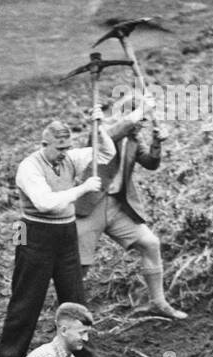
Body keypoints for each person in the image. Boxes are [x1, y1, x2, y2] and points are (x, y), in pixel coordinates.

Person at [0, 113, 114, 357]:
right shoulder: (29, 167)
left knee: (75, 300)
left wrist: (100, 126)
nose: (64, 153)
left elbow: (106, 153)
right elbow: (46, 202)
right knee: (26, 301)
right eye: (59, 148)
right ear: (44, 144)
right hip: (32, 233)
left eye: (67, 147)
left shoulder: (69, 158)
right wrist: (82, 189)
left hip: (66, 235)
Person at [75, 95, 186, 320]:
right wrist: (142, 109)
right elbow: (113, 134)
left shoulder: (133, 138)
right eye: (140, 118)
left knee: (150, 244)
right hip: (90, 206)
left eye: (144, 119)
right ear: (126, 114)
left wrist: (157, 143)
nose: (143, 123)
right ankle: (71, 312)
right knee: (80, 265)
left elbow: (151, 163)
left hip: (118, 207)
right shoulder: (101, 130)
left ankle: (158, 302)